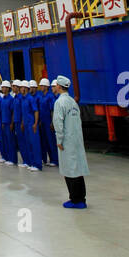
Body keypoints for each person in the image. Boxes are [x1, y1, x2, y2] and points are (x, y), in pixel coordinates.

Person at [51, 76, 89, 208]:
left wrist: (59, 140)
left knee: (69, 170)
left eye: (55, 85)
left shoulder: (59, 103)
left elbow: (58, 123)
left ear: (60, 87)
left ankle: (74, 200)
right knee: (77, 170)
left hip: (66, 141)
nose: (53, 87)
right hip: (76, 140)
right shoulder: (73, 102)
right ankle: (81, 199)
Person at [37, 78, 58, 167]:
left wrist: (52, 122)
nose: (40, 87)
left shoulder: (50, 96)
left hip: (49, 121)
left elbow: (52, 110)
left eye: (42, 85)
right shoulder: (41, 96)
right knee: (45, 141)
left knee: (51, 141)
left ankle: (55, 160)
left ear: (46, 87)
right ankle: (49, 159)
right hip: (43, 122)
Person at [0, 80, 15, 165]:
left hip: (9, 123)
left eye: (4, 87)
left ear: (8, 89)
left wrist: (11, 123)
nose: (2, 89)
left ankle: (12, 159)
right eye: (2, 87)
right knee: (6, 141)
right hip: (4, 122)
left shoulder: (11, 99)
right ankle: (7, 157)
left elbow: (13, 112)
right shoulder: (3, 99)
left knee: (10, 141)